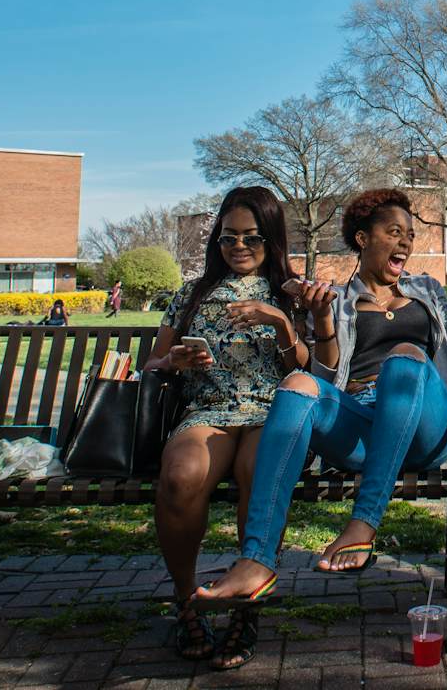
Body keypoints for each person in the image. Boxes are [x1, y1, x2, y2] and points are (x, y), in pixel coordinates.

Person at [192, 188, 447, 605]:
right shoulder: (337, 299)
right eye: (394, 232)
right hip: (363, 425)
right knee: (297, 387)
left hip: (426, 422)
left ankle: (364, 522)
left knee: (404, 357)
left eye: (410, 234)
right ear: (363, 239)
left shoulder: (425, 288)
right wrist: (320, 318)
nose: (406, 242)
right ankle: (257, 559)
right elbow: (326, 373)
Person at [147, 187, 309, 669]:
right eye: (228, 238)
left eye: (252, 238)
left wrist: (282, 324)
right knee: (180, 474)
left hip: (272, 411)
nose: (238, 247)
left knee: (261, 471)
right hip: (210, 411)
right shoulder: (193, 294)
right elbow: (152, 362)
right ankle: (187, 601)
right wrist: (173, 360)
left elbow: (307, 370)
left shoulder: (292, 292)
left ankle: (246, 605)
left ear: (272, 240)